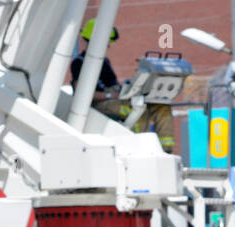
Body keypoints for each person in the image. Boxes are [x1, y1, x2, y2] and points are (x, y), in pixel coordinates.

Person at [71, 20, 176, 153]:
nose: (108, 45)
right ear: (95, 39)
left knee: (162, 107)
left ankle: (165, 151)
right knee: (136, 108)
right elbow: (82, 94)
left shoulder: (104, 61)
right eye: (106, 41)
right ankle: (141, 150)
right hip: (98, 104)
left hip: (116, 98)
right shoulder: (78, 63)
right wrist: (110, 95)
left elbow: (114, 85)